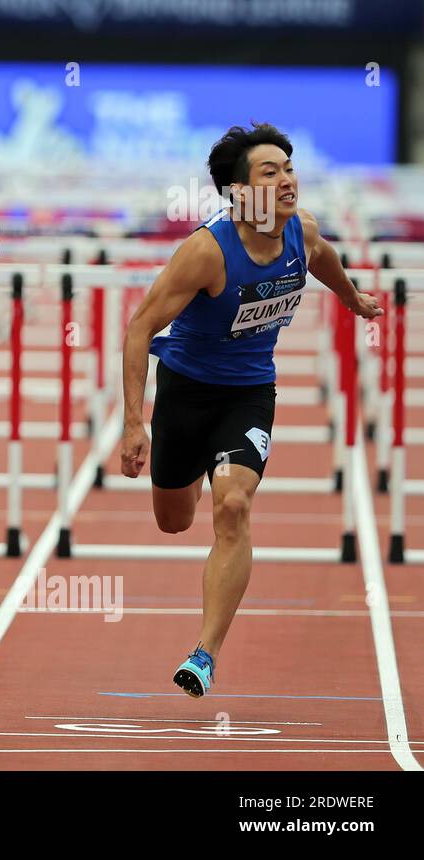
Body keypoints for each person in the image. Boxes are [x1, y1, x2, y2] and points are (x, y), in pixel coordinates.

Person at [121, 122, 382, 696]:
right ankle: (187, 469)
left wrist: (353, 297)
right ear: (240, 192)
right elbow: (139, 327)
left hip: (249, 393)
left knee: (233, 505)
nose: (288, 179)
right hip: (186, 391)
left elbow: (324, 260)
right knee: (174, 520)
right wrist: (135, 423)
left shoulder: (302, 233)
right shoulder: (206, 252)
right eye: (271, 172)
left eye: (289, 168)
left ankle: (204, 654)